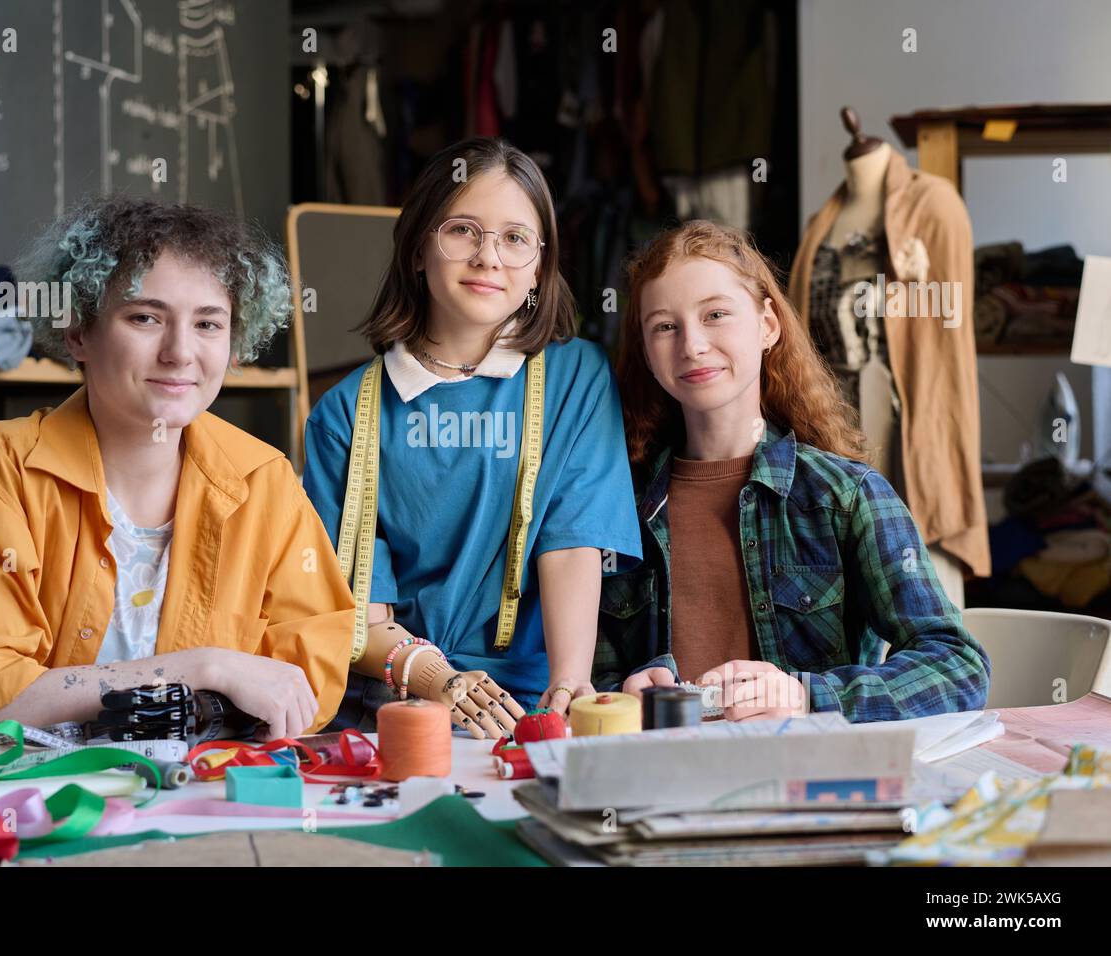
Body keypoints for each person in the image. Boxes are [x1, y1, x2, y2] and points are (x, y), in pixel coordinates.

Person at [0, 196, 354, 736]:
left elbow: (306, 680)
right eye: (145, 318)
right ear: (79, 332)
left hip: (204, 794)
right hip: (28, 799)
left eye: (208, 324)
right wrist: (203, 669)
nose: (180, 352)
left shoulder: (263, 479)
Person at [303, 138, 642, 738]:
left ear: (539, 266)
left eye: (515, 239)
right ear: (416, 249)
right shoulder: (344, 414)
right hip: (397, 704)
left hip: (535, 704)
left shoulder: (578, 378)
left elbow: (571, 542)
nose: (489, 257)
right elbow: (356, 613)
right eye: (462, 230)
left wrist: (570, 683)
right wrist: (441, 681)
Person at [596, 219, 989, 722]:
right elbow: (583, 678)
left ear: (767, 326)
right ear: (648, 353)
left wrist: (805, 696)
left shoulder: (848, 495)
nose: (691, 345)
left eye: (715, 314)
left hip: (807, 779)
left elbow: (958, 666)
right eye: (665, 326)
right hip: (664, 777)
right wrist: (621, 692)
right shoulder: (615, 504)